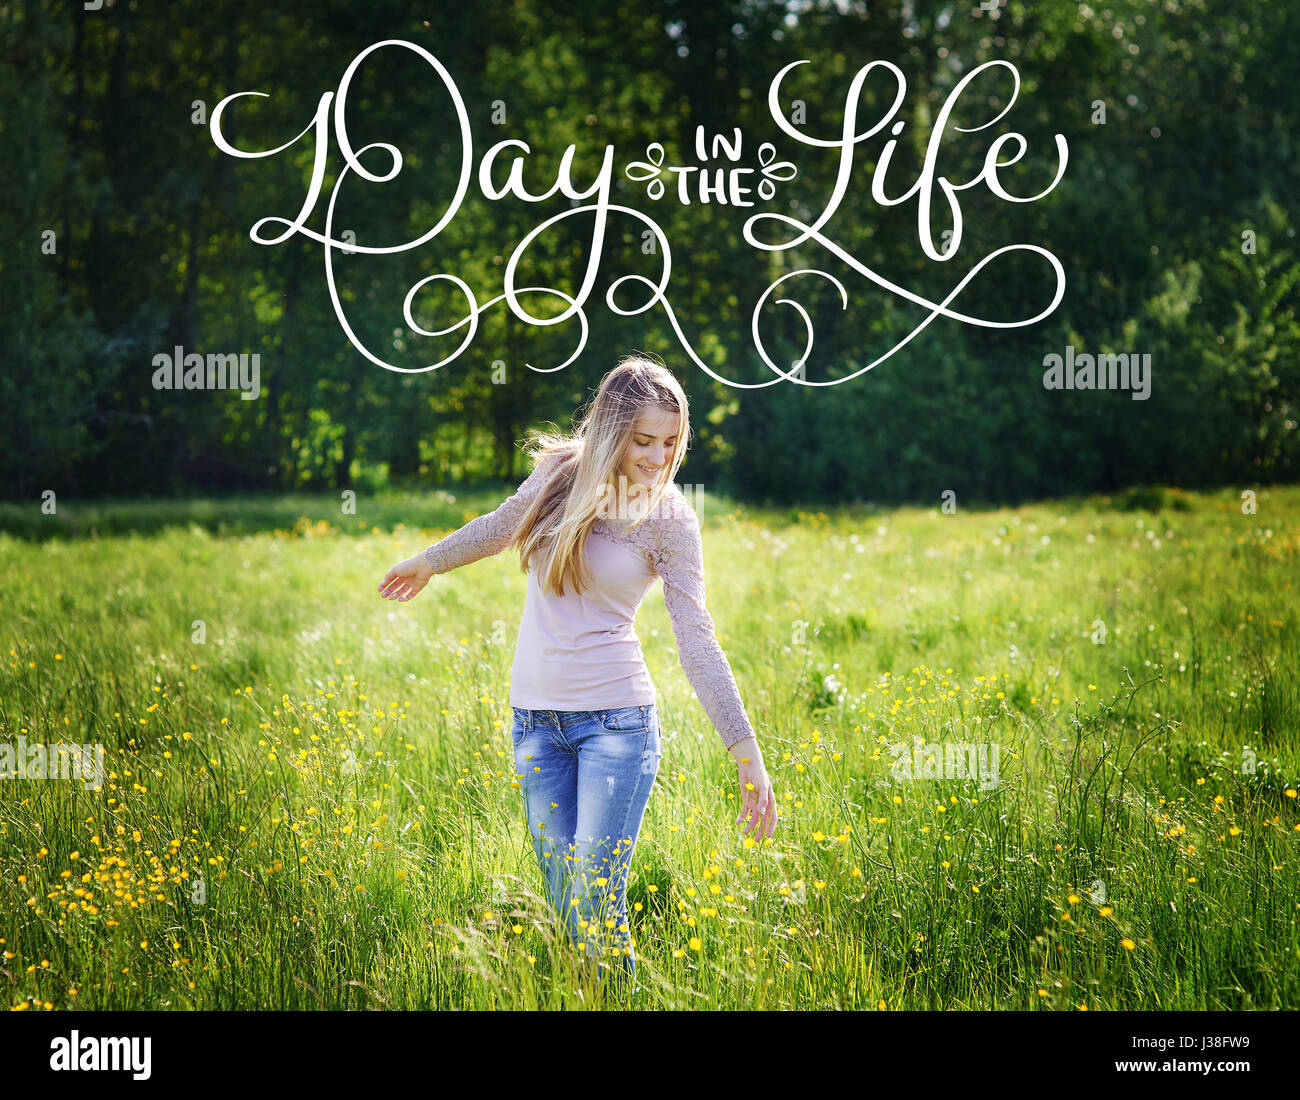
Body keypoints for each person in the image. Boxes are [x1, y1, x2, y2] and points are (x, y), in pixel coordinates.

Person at [377, 352, 776, 987]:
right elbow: (502, 525)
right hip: (534, 721)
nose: (657, 457)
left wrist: (744, 746)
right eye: (643, 440)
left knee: (595, 897)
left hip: (618, 725)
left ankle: (616, 997)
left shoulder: (669, 518)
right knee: (564, 898)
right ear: (613, 431)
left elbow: (696, 636)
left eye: (671, 442)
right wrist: (430, 561)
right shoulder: (560, 474)